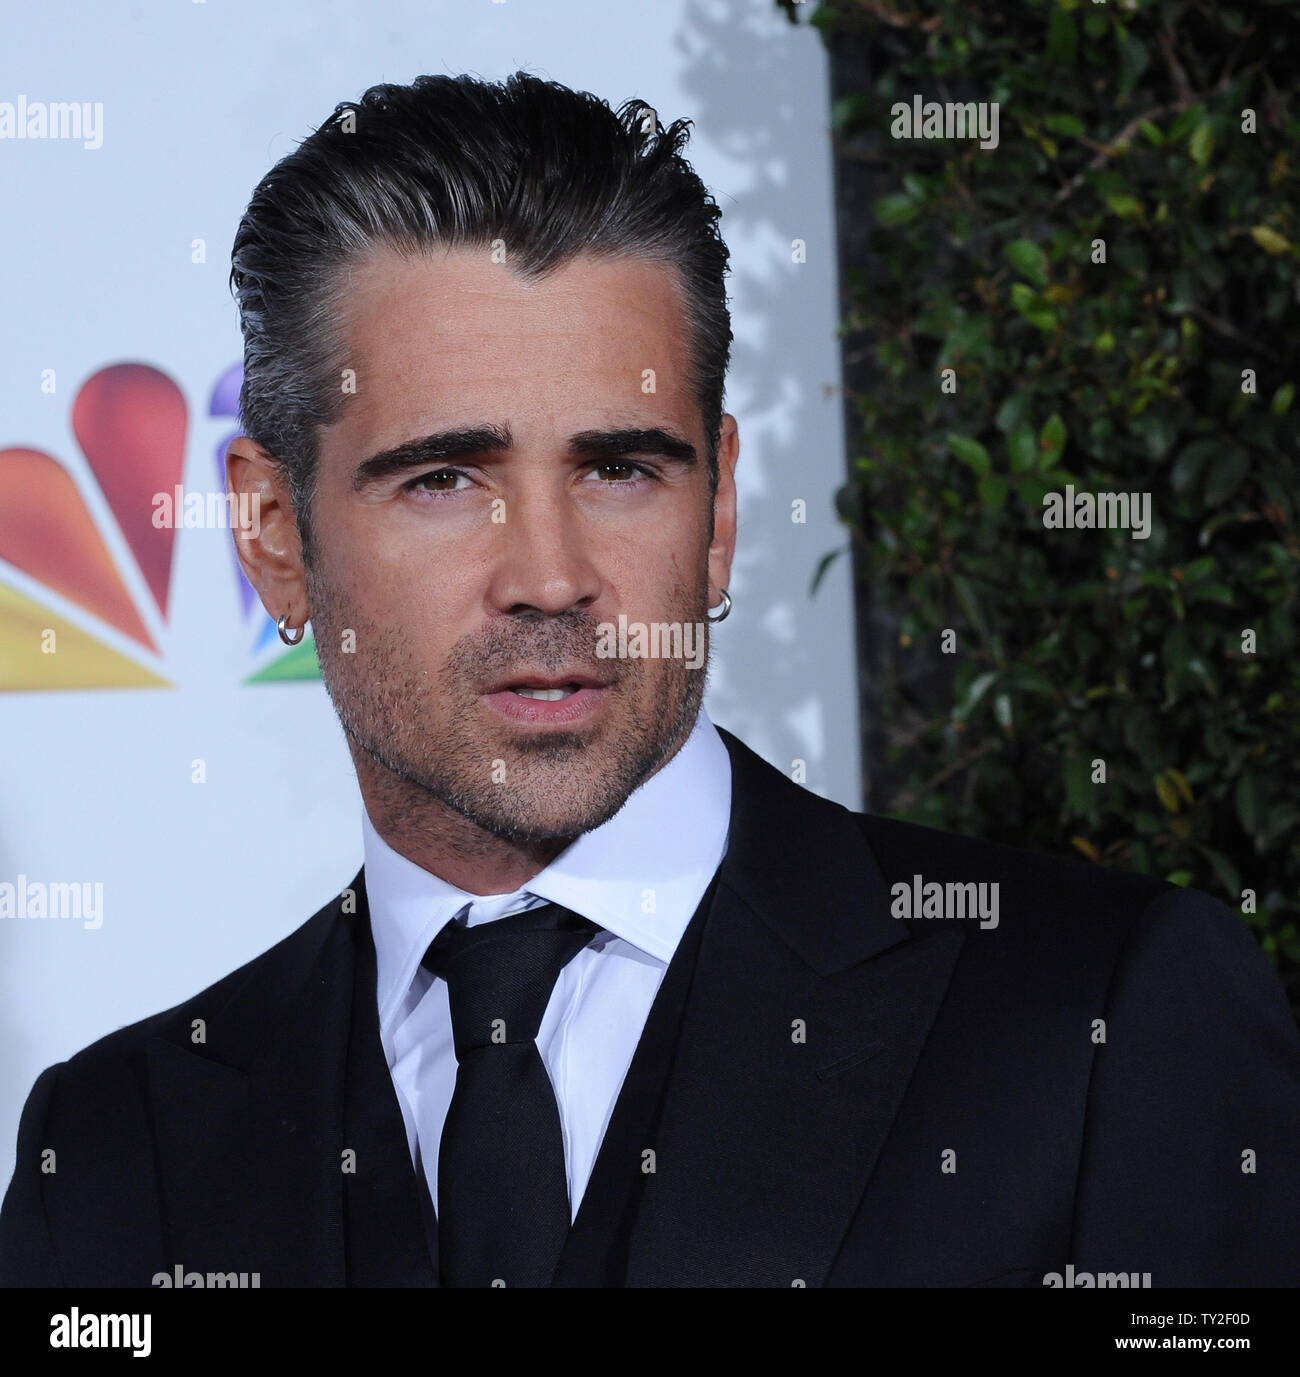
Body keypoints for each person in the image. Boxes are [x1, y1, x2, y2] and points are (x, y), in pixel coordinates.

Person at [2, 71, 1298, 1289]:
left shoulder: (1094, 1019)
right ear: (275, 533)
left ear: (721, 506)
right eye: (444, 479)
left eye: (622, 468)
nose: (553, 576)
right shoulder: (119, 1150)